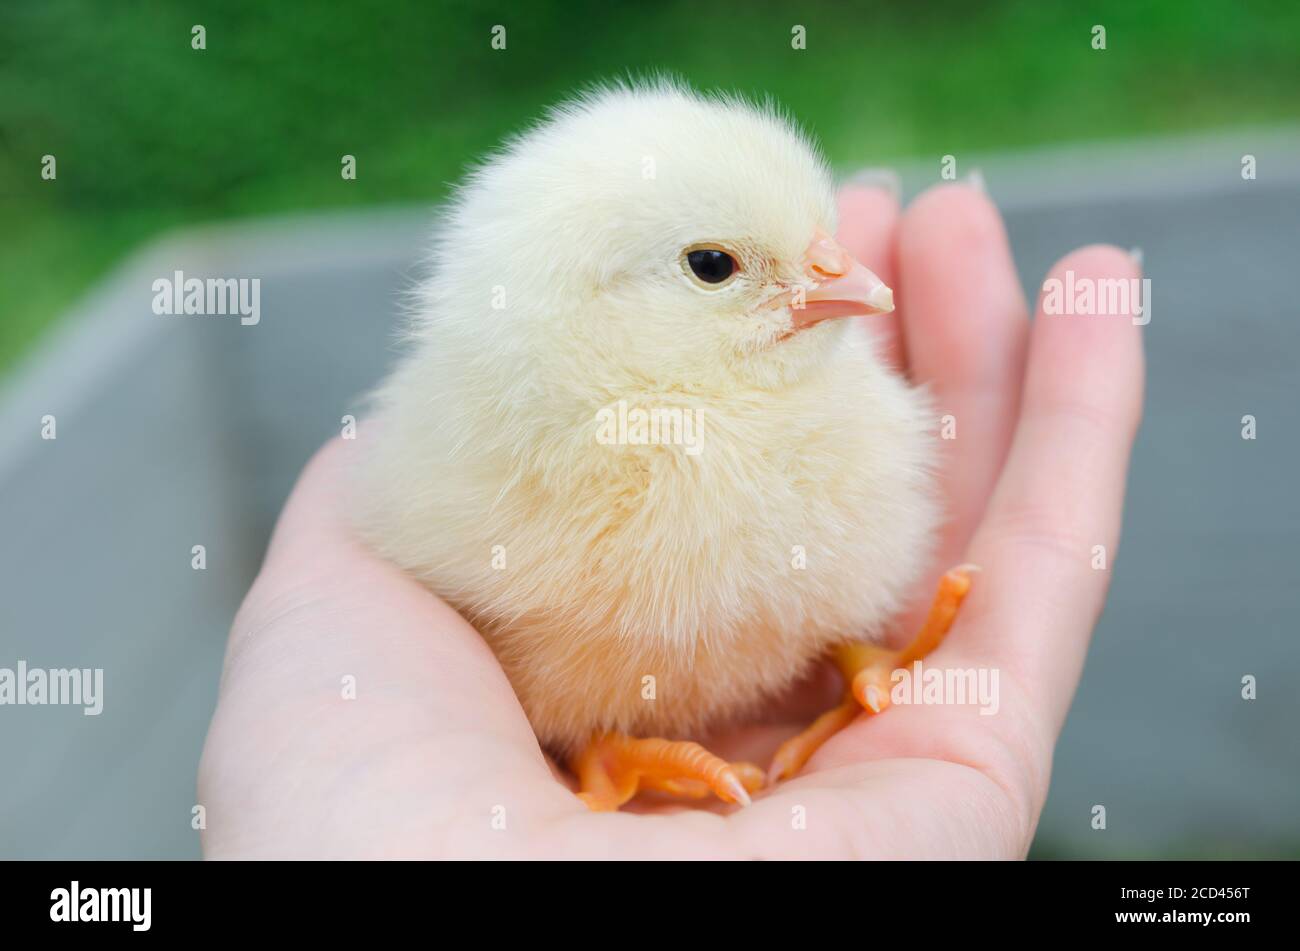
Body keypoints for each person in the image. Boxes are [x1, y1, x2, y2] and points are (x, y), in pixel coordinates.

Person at [198, 179, 1144, 859]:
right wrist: (576, 746)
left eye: (817, 241)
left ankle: (850, 661)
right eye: (715, 265)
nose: (839, 278)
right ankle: (605, 744)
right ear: (586, 308)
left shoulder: (828, 390)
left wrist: (850, 639)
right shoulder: (499, 441)